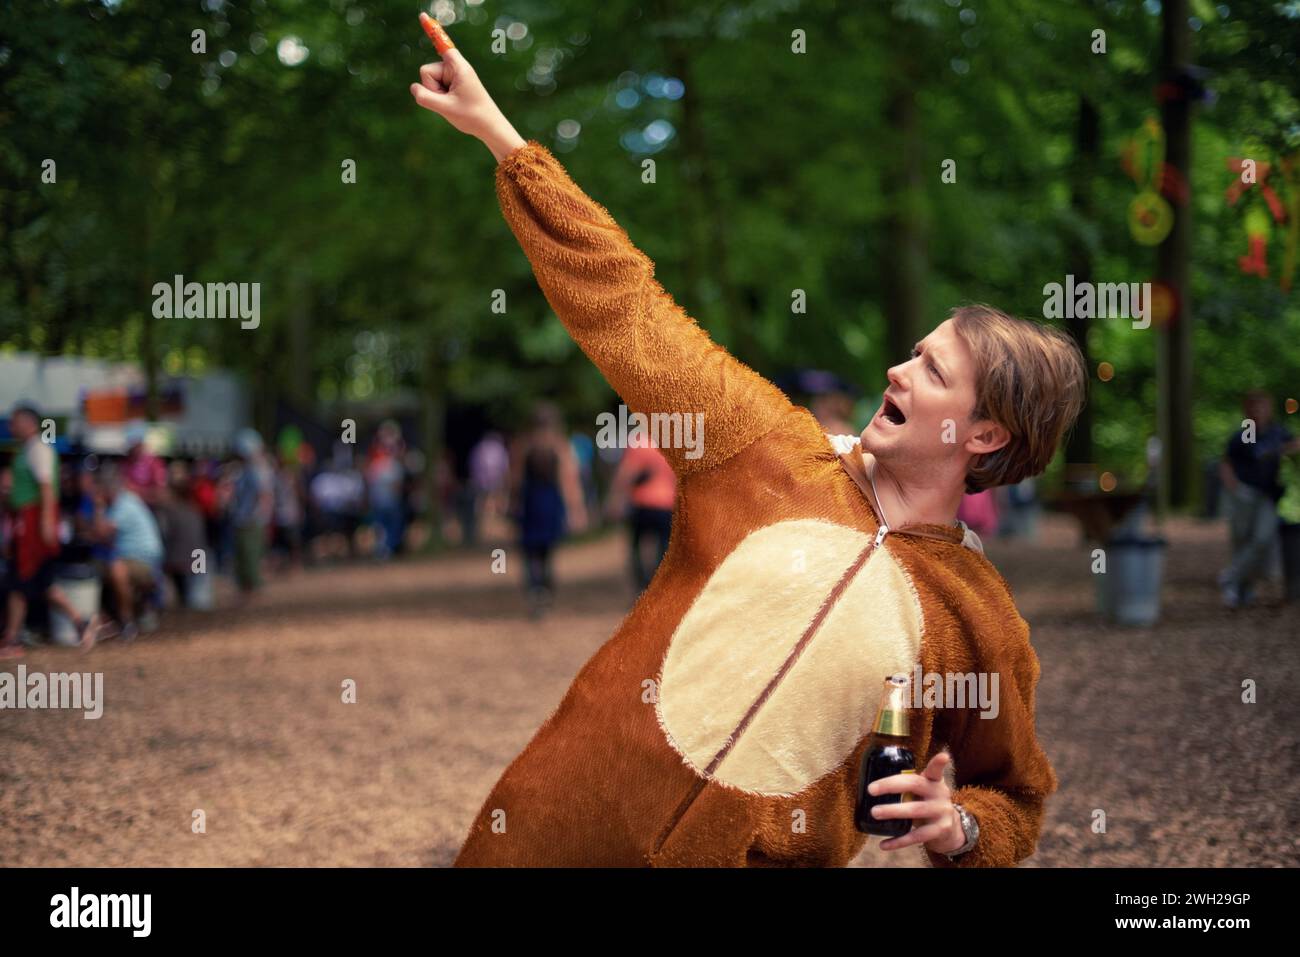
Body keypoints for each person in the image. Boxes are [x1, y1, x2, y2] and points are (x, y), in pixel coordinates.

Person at [412, 27, 1086, 868]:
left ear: (984, 433)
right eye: (914, 352)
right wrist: (500, 137)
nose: (897, 370)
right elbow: (627, 306)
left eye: (932, 370)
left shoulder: (977, 619)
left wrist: (961, 828)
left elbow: (1016, 796)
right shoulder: (760, 444)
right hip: (553, 833)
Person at [0, 405, 98, 657]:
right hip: (27, 522)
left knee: (20, 581)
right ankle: (80, 622)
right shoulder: (26, 450)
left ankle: (12, 640)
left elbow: (46, 489)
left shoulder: (38, 450)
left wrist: (45, 523)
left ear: (29, 423)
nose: (11, 426)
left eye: (15, 421)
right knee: (39, 582)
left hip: (33, 524)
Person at [1217, 390, 1300, 608]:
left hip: (1269, 496)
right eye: (1253, 406)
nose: (1257, 411)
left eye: (1261, 406)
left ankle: (1232, 576)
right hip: (1245, 494)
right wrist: (1234, 487)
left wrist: (1285, 450)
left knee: (1262, 539)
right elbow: (1233, 459)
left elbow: (1293, 446)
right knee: (1243, 539)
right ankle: (1241, 589)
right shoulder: (1247, 432)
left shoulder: (1278, 432)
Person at [508, 402, 587, 619]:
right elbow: (568, 482)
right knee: (547, 553)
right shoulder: (560, 447)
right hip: (551, 503)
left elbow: (515, 480)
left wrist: (512, 503)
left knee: (529, 553)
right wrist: (576, 510)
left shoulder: (522, 446)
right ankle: (545, 590)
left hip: (530, 503)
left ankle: (535, 590)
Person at [85, 462, 164, 642]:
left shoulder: (124, 504)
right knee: (101, 567)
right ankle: (109, 618)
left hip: (145, 562)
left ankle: (126, 621)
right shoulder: (123, 501)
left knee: (116, 568)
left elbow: (101, 533)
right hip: (136, 558)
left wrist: (98, 505)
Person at [605, 431, 677, 593]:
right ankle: (660, 584)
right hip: (667, 504)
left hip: (642, 503)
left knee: (636, 546)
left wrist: (614, 499)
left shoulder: (640, 442)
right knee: (664, 547)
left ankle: (643, 584)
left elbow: (626, 474)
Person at [230, 428, 273, 594]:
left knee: (250, 556)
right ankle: (246, 589)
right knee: (243, 556)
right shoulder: (247, 469)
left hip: (250, 520)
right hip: (243, 519)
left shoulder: (256, 469)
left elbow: (263, 494)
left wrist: (260, 516)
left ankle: (253, 590)